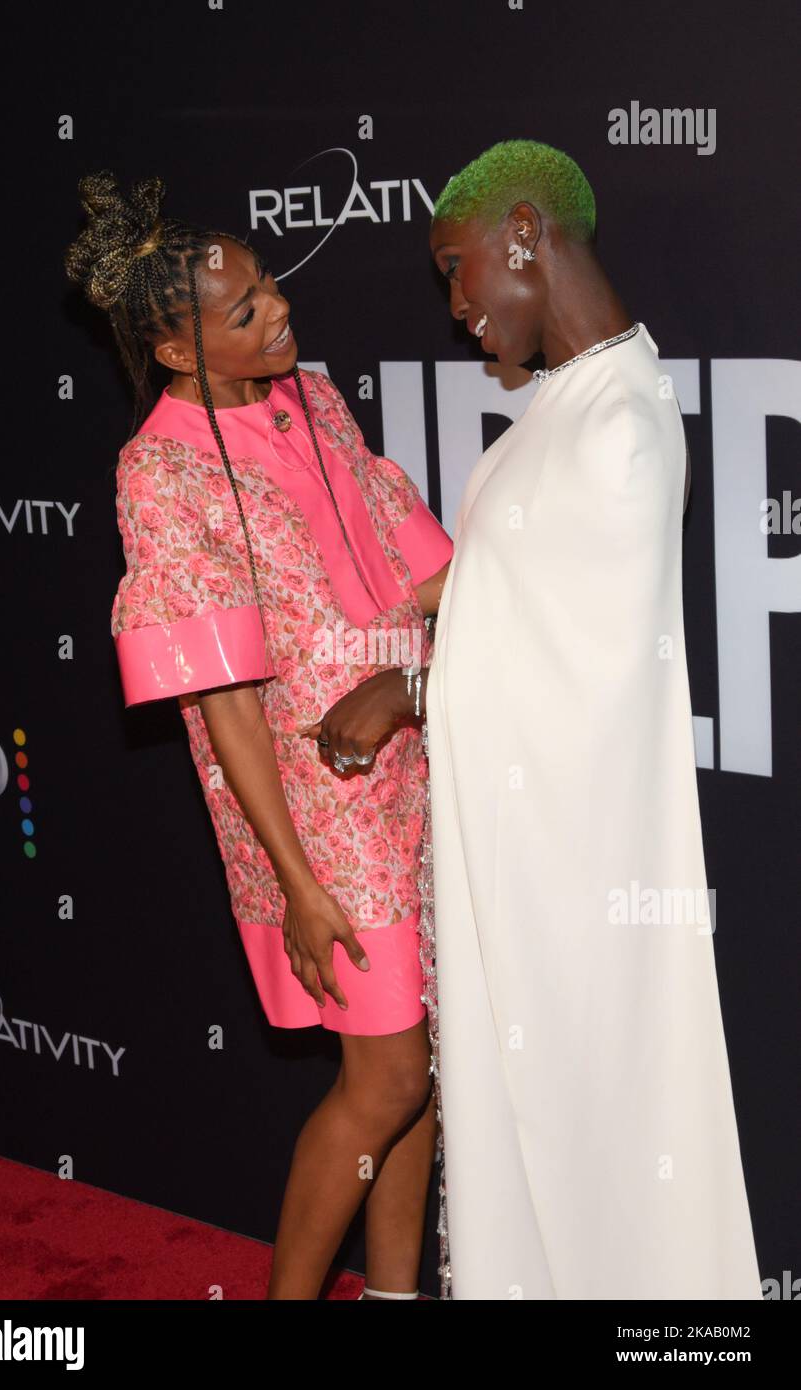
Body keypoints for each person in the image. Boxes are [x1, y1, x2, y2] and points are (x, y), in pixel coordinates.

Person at [63, 170, 453, 1300]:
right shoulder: (160, 470)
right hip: (310, 806)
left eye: (269, 285)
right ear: (178, 352)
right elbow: (221, 700)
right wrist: (296, 880)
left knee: (413, 1072)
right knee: (384, 1076)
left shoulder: (316, 402)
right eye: (243, 311)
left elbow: (417, 567)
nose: (278, 308)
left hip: (412, 769)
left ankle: (391, 1297)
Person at [418, 138, 763, 1299]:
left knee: (593, 1143)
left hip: (577, 893)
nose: (456, 304)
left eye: (459, 268)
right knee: (530, 1143)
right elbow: (502, 604)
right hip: (526, 880)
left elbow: (582, 684)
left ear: (527, 232)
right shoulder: (568, 400)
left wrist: (407, 685)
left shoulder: (619, 425)